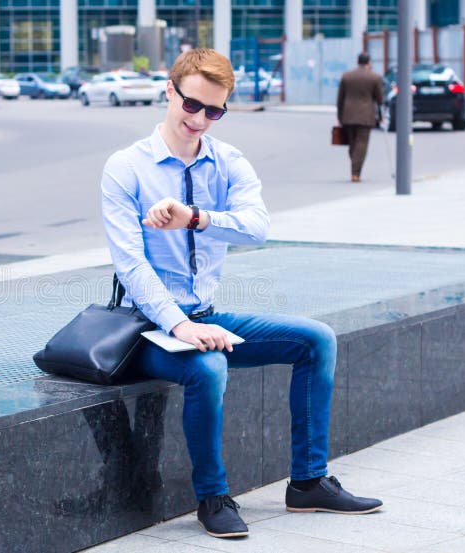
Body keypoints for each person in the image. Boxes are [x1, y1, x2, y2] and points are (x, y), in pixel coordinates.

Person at [101, 48, 382, 540]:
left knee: (317, 339)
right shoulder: (126, 168)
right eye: (192, 106)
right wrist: (180, 325)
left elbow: (257, 227)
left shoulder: (227, 162)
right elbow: (131, 264)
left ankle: (309, 482)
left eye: (215, 111)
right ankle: (212, 498)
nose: (200, 120)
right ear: (170, 91)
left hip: (207, 315)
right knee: (207, 368)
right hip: (146, 328)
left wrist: (198, 217)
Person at [336, 52, 384, 182]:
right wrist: (380, 114)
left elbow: (340, 98)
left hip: (348, 115)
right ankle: (355, 173)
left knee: (352, 143)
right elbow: (380, 99)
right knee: (362, 143)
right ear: (369, 63)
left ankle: (354, 168)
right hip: (365, 116)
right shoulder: (374, 77)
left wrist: (340, 116)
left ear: (357, 62)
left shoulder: (346, 76)